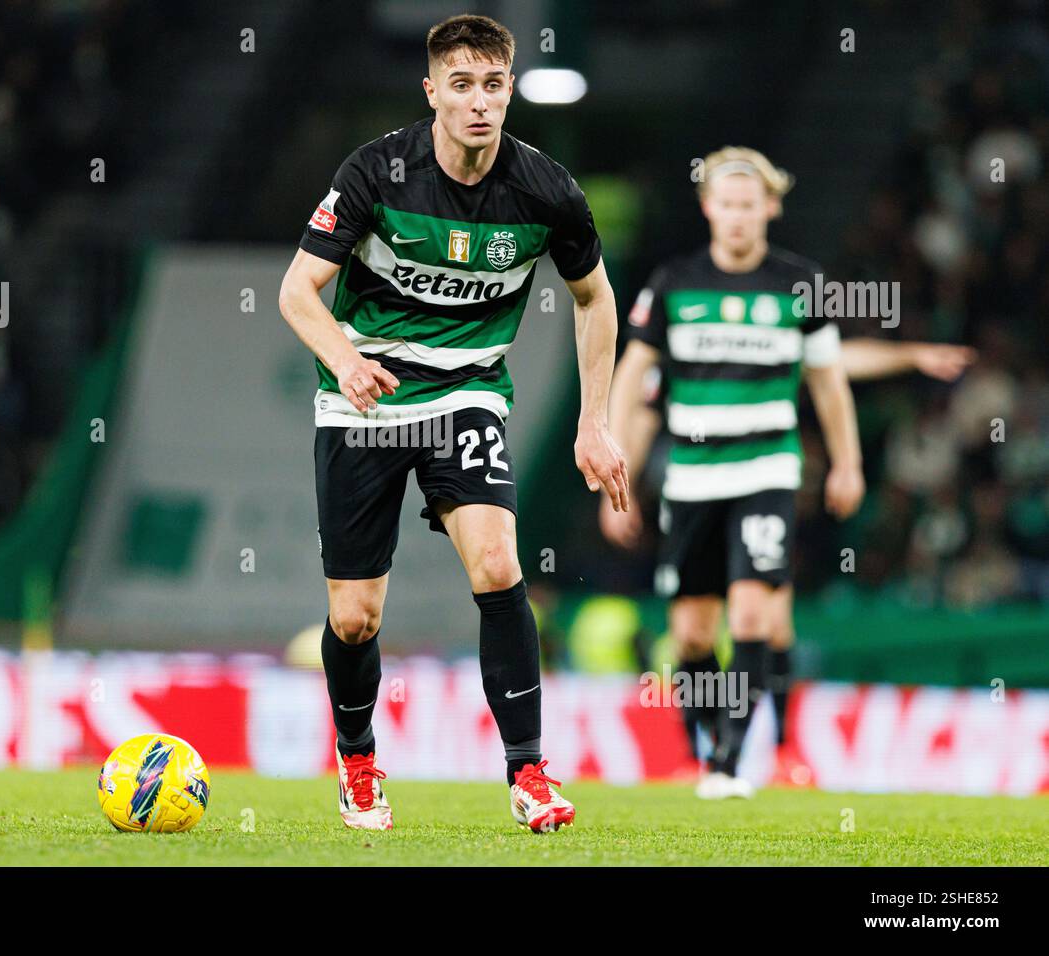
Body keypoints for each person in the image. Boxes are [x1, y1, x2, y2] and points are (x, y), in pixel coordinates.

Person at [278, 14, 629, 831]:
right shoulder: (376, 171)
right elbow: (299, 291)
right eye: (462, 86)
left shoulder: (546, 190)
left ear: (510, 90)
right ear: (431, 90)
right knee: (354, 616)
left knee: (500, 566)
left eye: (494, 85)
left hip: (466, 394)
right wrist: (347, 359)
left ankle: (529, 773)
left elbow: (596, 298)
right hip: (362, 398)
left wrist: (595, 423)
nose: (479, 103)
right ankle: (358, 763)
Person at [606, 147, 865, 799]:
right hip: (691, 476)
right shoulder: (672, 282)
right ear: (708, 208)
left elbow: (829, 383)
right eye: (728, 204)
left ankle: (728, 759)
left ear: (771, 208)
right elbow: (634, 374)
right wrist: (615, 468)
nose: (740, 217)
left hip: (767, 468)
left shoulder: (801, 283)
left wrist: (846, 462)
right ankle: (705, 748)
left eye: (751, 205)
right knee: (692, 633)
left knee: (752, 617)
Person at [601, 341, 975, 785]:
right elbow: (644, 413)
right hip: (692, 500)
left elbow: (834, 360)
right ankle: (697, 752)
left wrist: (908, 357)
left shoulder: (766, 337)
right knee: (691, 636)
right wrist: (616, 492)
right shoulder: (684, 337)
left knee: (772, 622)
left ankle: (778, 752)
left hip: (762, 492)